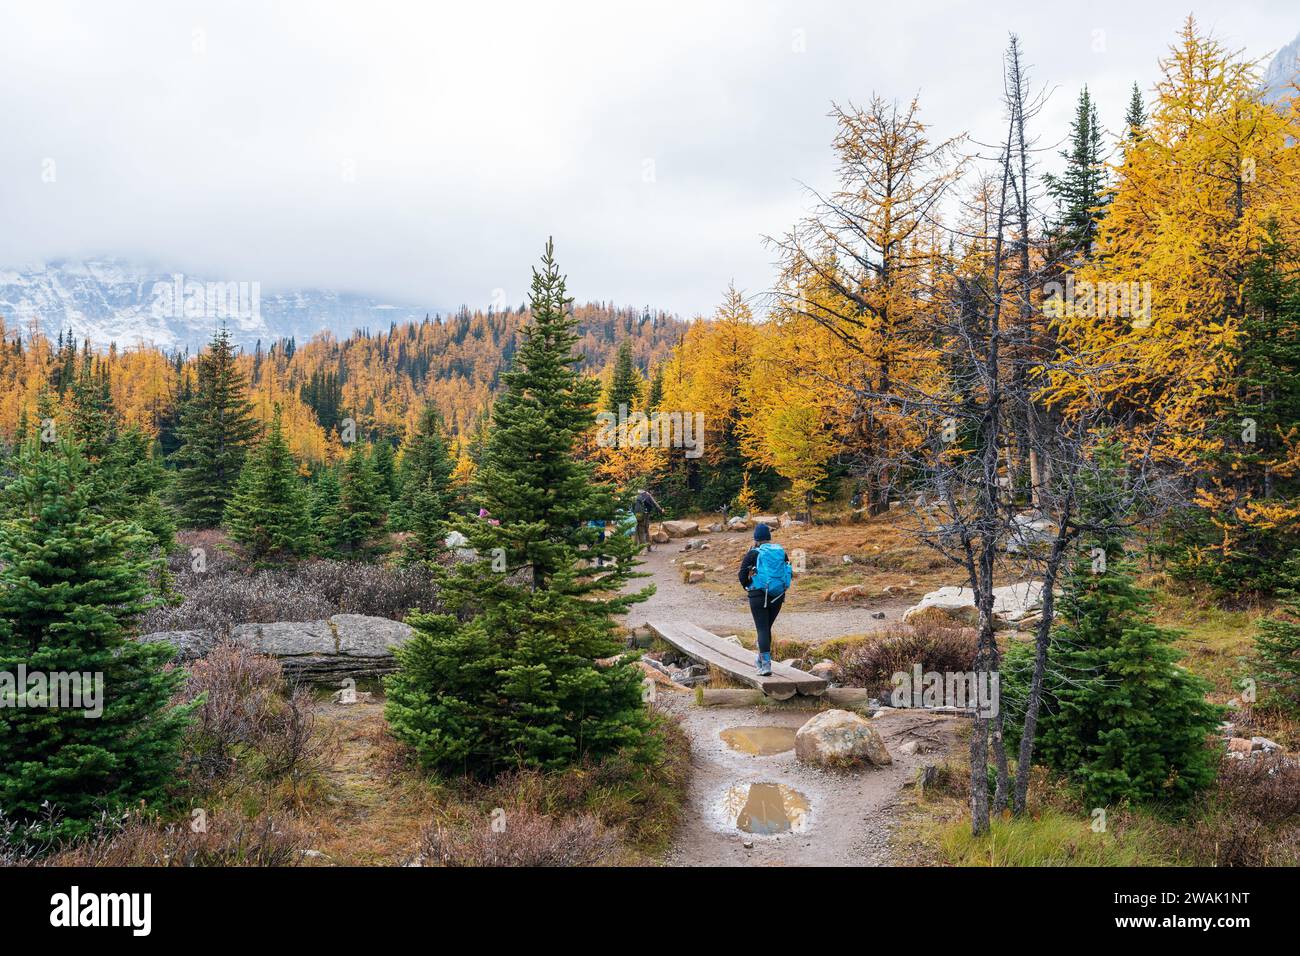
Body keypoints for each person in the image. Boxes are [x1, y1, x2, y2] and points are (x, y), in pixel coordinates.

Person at [738, 522, 792, 676]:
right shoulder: (780, 551)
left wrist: (748, 586)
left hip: (758, 594)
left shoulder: (753, 553)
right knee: (766, 628)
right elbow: (788, 570)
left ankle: (766, 665)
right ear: (769, 538)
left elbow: (742, 575)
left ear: (756, 538)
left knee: (762, 628)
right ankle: (760, 659)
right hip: (778, 595)